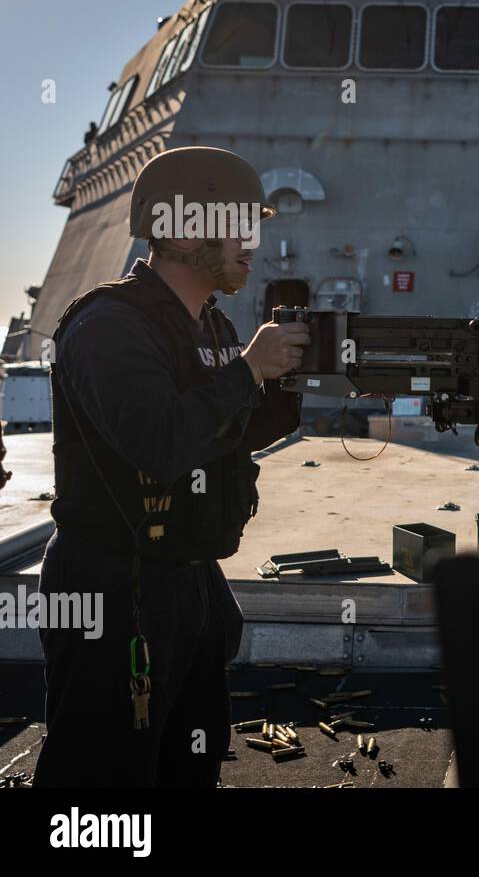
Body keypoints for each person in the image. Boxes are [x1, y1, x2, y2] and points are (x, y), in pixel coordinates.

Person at [33, 146, 310, 787]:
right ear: (186, 231)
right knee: (102, 776)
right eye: (240, 224)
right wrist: (248, 369)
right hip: (112, 588)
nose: (253, 243)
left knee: (188, 764)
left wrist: (294, 384)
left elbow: (224, 435)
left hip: (184, 582)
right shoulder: (109, 326)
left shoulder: (205, 325)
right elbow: (158, 442)